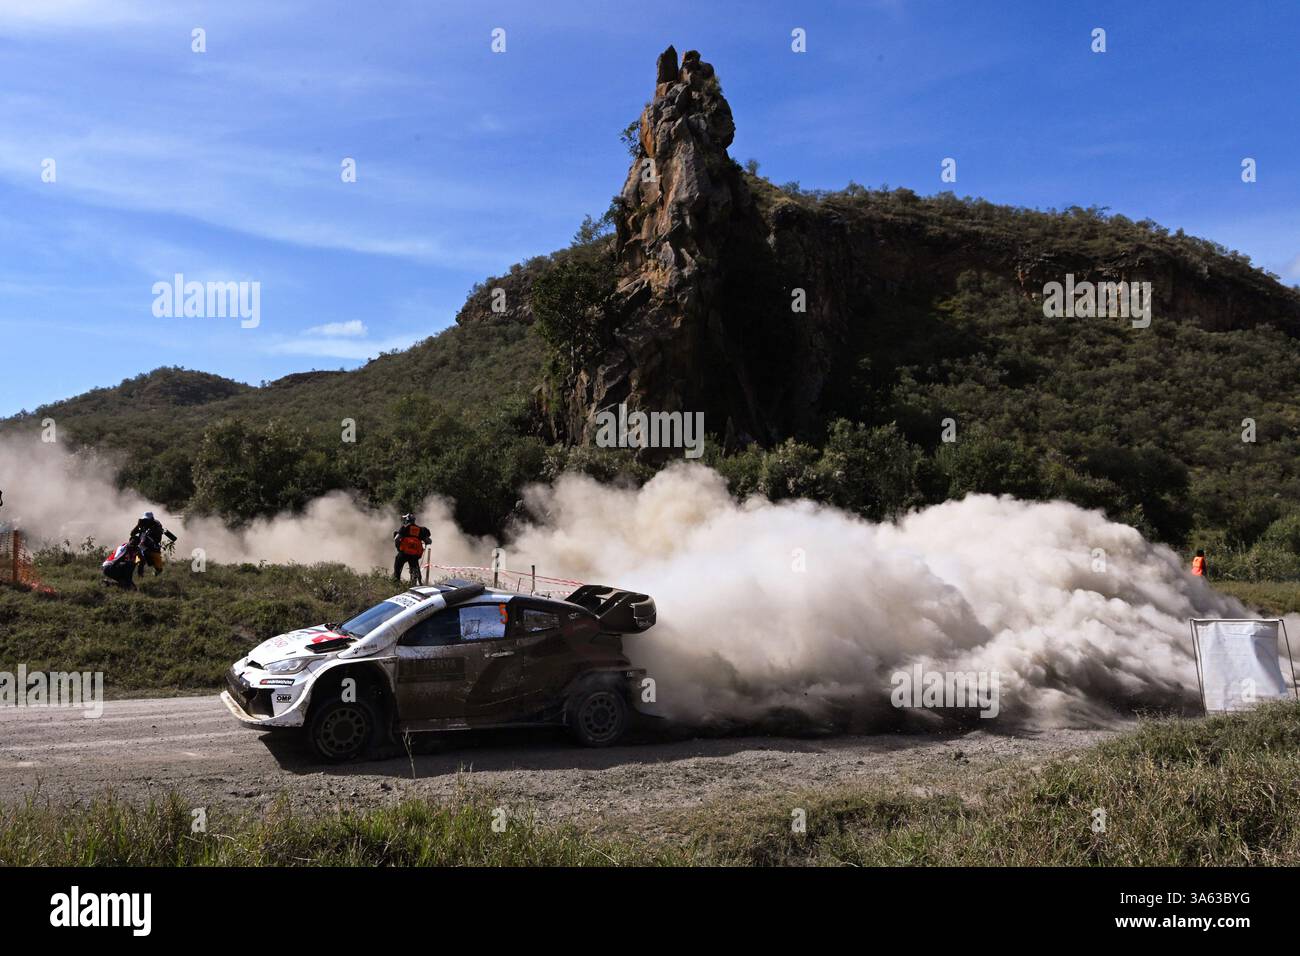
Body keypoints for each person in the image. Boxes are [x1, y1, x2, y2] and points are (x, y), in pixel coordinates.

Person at [129, 511, 176, 578]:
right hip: (141, 547)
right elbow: (132, 534)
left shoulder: (157, 525)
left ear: (151, 519)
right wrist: (138, 525)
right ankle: (140, 578)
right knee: (140, 563)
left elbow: (162, 533)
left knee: (159, 569)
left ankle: (154, 578)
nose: (146, 521)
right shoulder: (141, 524)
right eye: (145, 519)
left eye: (147, 519)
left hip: (153, 549)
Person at [393, 512, 432, 584]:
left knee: (397, 568)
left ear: (407, 520)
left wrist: (398, 548)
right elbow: (429, 541)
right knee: (415, 572)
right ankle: (413, 585)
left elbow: (396, 539)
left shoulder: (404, 528)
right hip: (414, 555)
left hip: (403, 554)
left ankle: (396, 583)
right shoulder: (420, 530)